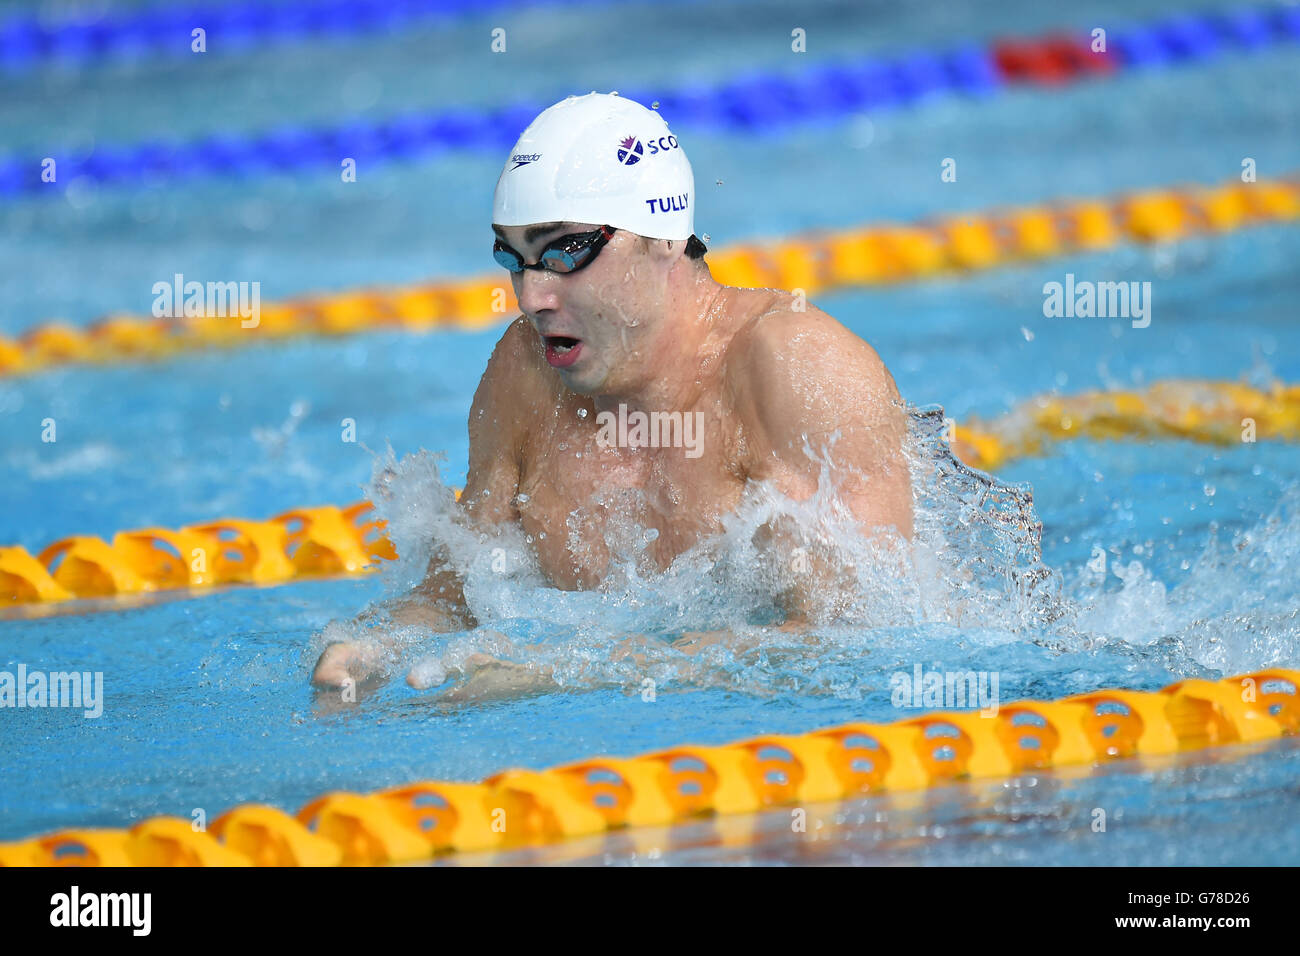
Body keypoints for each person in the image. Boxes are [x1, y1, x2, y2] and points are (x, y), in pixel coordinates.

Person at [312, 91, 912, 698]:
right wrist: (378, 645)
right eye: (513, 258)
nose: (531, 297)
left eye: (565, 251)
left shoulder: (791, 367)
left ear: (665, 237)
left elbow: (855, 637)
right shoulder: (525, 371)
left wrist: (575, 674)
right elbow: (457, 588)